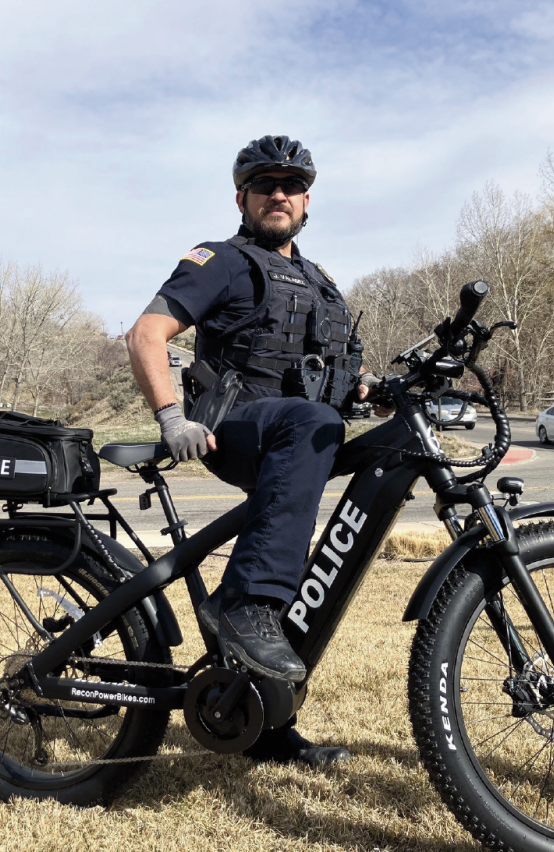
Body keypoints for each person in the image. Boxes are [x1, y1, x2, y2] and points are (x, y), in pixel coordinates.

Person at [126, 135, 381, 767]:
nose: (279, 194)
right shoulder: (221, 260)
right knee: (309, 427)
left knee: (315, 559)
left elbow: (337, 378)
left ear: (306, 200)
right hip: (234, 428)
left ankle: (262, 722)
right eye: (265, 184)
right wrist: (170, 418)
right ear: (241, 196)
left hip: (302, 433)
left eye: (291, 186)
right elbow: (146, 333)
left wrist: (378, 392)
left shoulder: (321, 281)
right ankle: (243, 604)